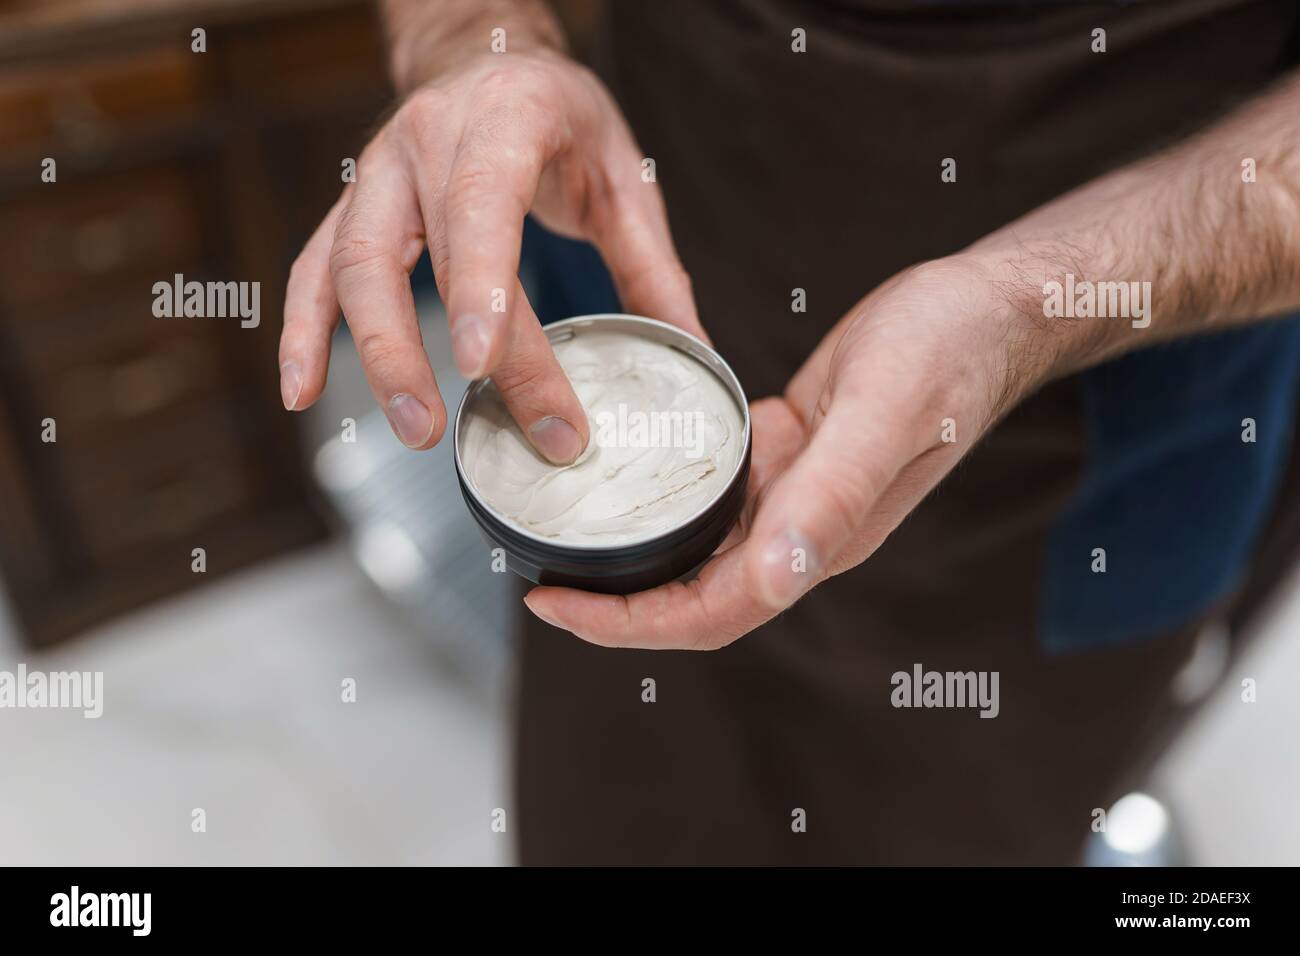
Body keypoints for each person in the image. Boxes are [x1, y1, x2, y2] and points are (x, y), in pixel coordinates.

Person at [278, 0, 1300, 864]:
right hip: (650, 264)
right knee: (623, 793)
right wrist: (474, 44)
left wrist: (1026, 309)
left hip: (1091, 413)